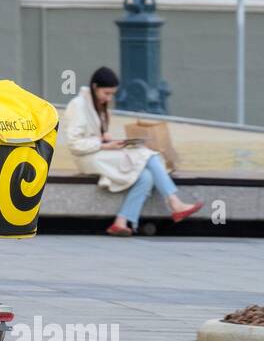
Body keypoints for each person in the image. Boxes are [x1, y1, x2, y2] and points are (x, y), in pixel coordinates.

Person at [63, 67, 203, 236]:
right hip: (88, 158)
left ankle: (121, 221)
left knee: (147, 176)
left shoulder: (97, 105)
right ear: (94, 87)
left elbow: (95, 135)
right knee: (148, 155)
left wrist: (108, 139)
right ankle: (175, 202)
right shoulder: (78, 105)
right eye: (106, 93)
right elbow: (74, 143)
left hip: (99, 153)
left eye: (112, 94)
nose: (109, 98)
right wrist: (104, 144)